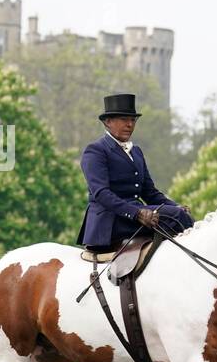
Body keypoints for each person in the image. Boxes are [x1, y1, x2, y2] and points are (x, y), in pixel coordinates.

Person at [75, 93, 193, 253]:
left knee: (179, 214)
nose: (130, 124)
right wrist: (137, 214)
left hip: (133, 217)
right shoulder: (96, 151)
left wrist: (176, 206)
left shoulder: (136, 152)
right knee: (176, 217)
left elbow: (149, 192)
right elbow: (101, 194)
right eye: (124, 120)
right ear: (108, 122)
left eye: (133, 120)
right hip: (110, 221)